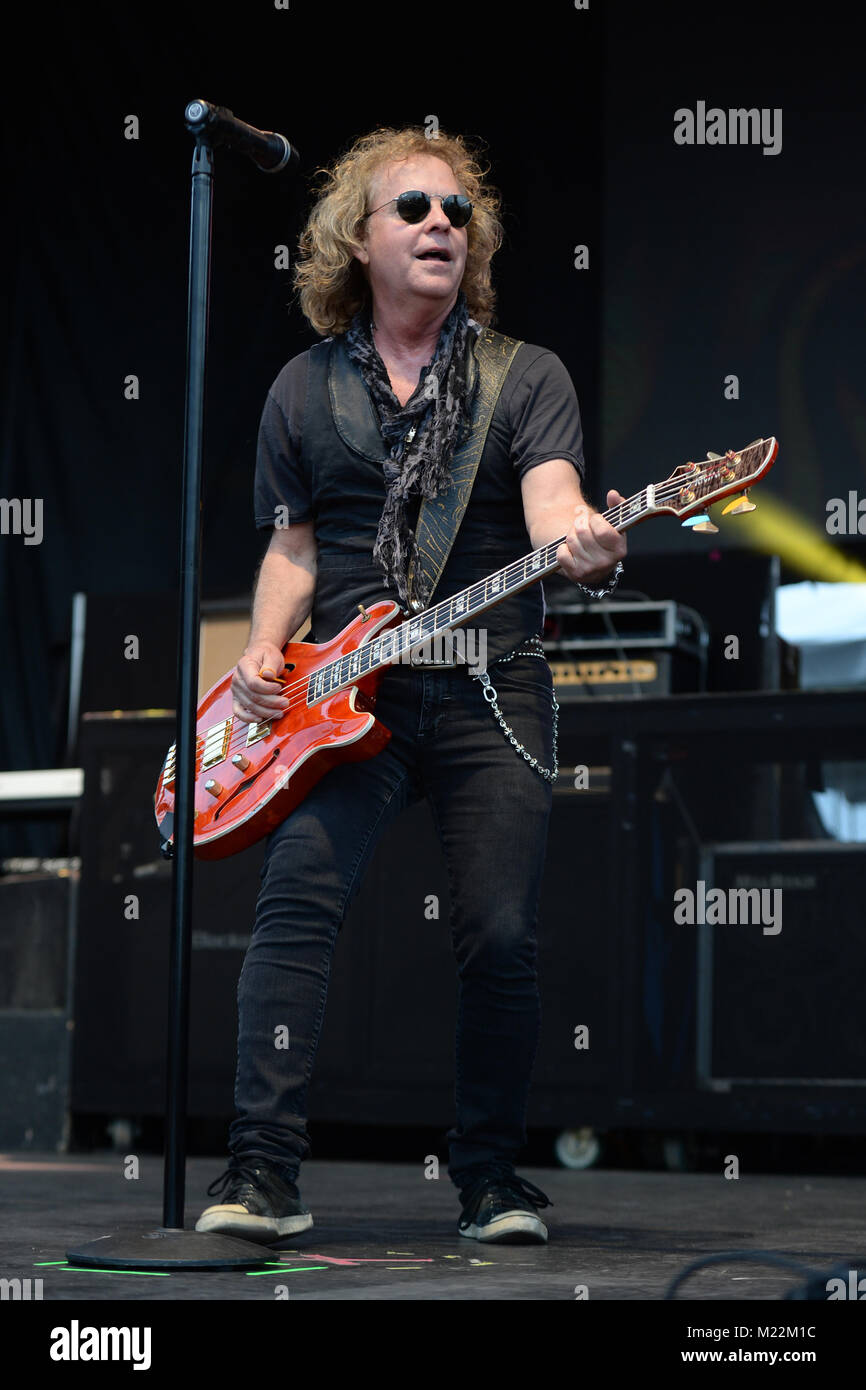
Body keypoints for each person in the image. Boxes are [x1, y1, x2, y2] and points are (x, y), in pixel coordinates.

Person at [196, 126, 627, 1246]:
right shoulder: (300, 387)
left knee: (496, 931)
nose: (443, 223)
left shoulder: (522, 375)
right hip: (343, 698)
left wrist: (581, 539)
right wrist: (259, 649)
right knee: (293, 909)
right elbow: (295, 544)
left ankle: (489, 1179)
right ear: (357, 239)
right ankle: (261, 1173)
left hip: (492, 683)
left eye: (457, 210)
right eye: (415, 208)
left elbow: (552, 503)